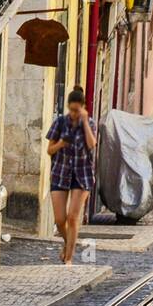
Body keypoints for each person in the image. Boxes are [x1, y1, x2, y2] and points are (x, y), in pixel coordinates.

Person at [46, 87, 97, 264]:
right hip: (60, 174)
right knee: (60, 220)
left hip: (82, 175)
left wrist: (84, 121)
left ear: (82, 108)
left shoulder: (89, 123)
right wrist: (61, 143)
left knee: (72, 217)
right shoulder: (59, 123)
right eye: (71, 110)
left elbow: (92, 144)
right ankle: (69, 243)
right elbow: (49, 150)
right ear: (68, 107)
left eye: (77, 110)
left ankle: (68, 258)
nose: (74, 113)